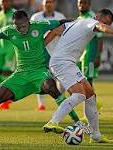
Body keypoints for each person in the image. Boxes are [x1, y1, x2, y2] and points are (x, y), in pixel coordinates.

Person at [0, 10, 82, 143]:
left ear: (29, 21)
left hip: (39, 71)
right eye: (18, 26)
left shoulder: (40, 25)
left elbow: (61, 22)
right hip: (20, 74)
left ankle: (77, 122)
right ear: (14, 24)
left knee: (52, 88)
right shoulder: (9, 31)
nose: (21, 29)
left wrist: (81, 21)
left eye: (24, 25)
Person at [43, 9, 113, 143]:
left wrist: (41, 47)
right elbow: (101, 26)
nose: (106, 25)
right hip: (61, 62)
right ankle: (53, 122)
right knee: (79, 95)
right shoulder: (91, 22)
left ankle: (96, 135)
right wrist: (105, 27)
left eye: (108, 23)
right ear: (99, 16)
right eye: (106, 22)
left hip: (67, 62)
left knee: (90, 95)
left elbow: (55, 31)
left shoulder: (77, 22)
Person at [31, 0, 66, 111]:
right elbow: (30, 33)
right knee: (41, 79)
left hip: (57, 52)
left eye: (51, 2)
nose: (49, 4)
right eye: (47, 2)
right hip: (41, 53)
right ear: (43, 4)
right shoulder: (36, 17)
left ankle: (60, 99)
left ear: (54, 4)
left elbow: (65, 31)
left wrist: (57, 31)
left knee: (62, 81)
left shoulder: (60, 16)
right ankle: (41, 104)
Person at [77, 0, 103, 119]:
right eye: (80, 3)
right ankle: (93, 108)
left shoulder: (93, 17)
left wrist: (97, 55)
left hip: (90, 54)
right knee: (83, 83)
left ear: (89, 4)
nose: (82, 5)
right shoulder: (80, 17)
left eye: (85, 3)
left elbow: (100, 37)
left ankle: (92, 111)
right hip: (82, 54)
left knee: (88, 83)